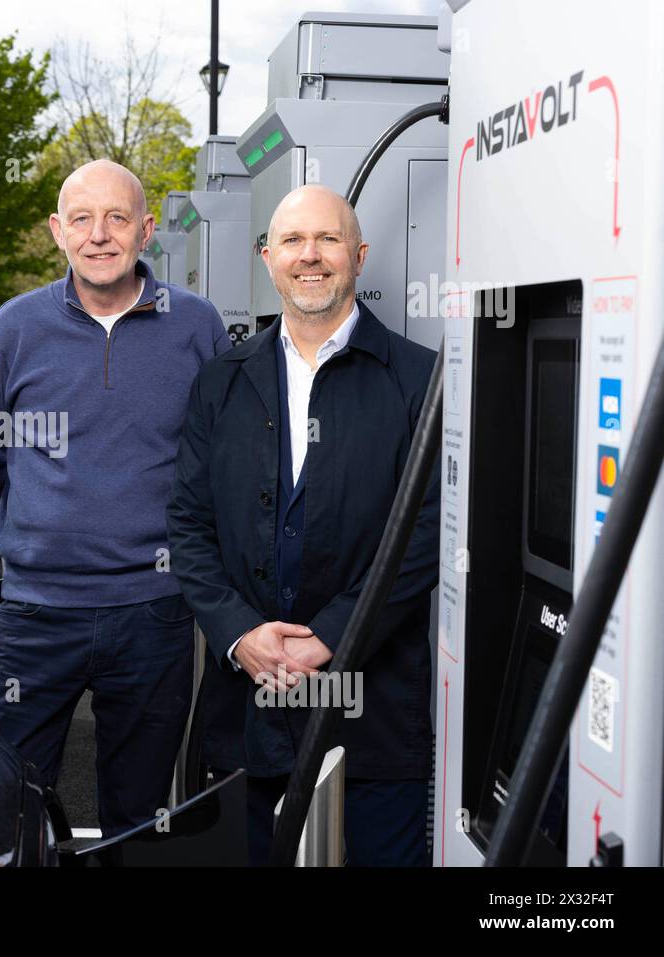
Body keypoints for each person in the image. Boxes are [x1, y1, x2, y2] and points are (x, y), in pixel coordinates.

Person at [167, 184, 439, 866]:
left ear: (359, 255)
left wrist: (331, 637)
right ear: (267, 257)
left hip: (374, 713)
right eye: (291, 241)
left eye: (328, 240)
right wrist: (239, 635)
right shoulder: (220, 383)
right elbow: (188, 528)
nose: (309, 256)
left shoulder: (418, 380)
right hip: (247, 707)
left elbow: (426, 534)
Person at [0, 159, 230, 837]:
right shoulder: (14, 328)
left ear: (146, 229)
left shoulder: (197, 327)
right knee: (3, 802)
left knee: (137, 818)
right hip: (35, 614)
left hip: (153, 613)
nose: (99, 234)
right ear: (57, 231)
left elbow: (219, 461)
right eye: (82, 218)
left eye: (117, 217)